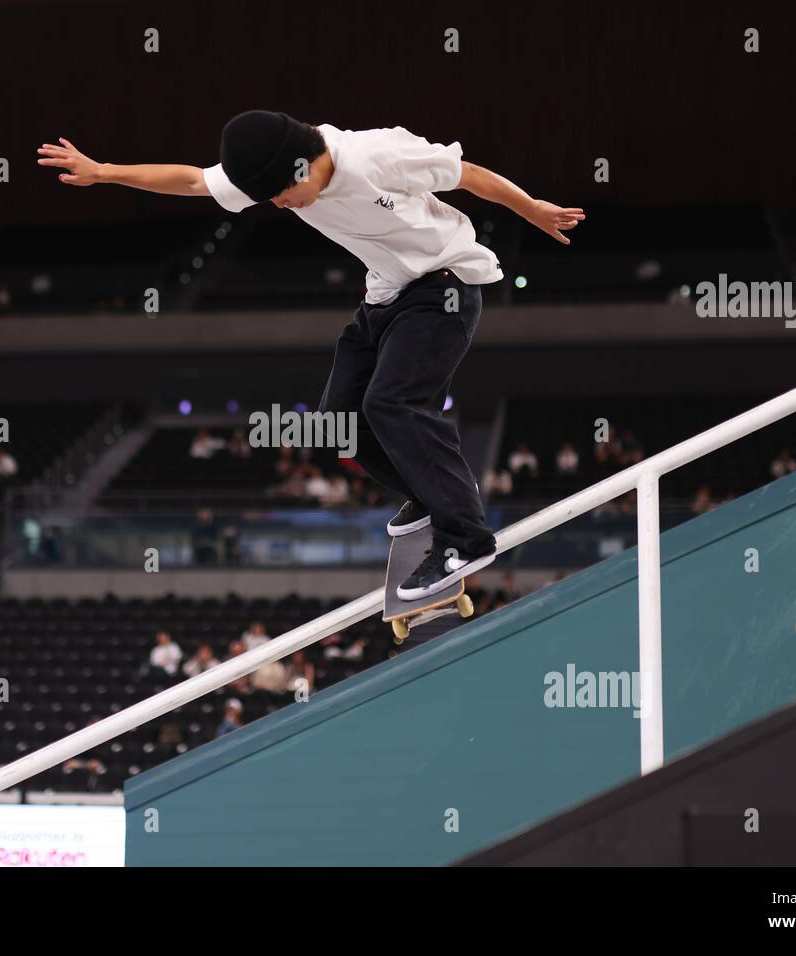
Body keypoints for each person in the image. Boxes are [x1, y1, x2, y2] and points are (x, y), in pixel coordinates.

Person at [37, 111, 583, 601]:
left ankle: (466, 536)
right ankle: (425, 493)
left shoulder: (378, 153)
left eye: (279, 197)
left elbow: (470, 176)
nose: (277, 207)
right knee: (336, 422)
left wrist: (530, 209)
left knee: (393, 403)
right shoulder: (273, 165)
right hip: (386, 296)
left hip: (445, 287)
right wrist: (103, 170)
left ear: (303, 171)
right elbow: (191, 179)